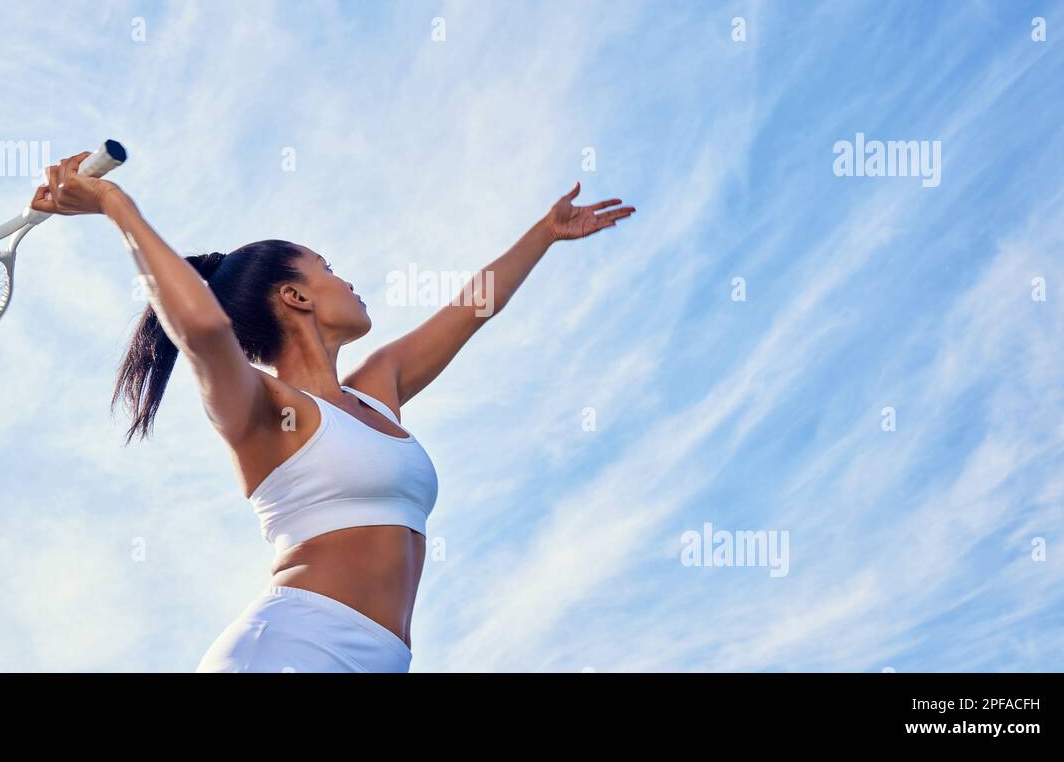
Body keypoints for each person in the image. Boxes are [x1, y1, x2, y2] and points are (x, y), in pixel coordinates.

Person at [32, 153, 637, 671]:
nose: (346, 279)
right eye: (327, 268)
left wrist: (544, 233)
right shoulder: (262, 411)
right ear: (294, 297)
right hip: (295, 647)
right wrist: (114, 203)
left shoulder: (375, 392)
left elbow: (473, 307)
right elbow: (203, 327)